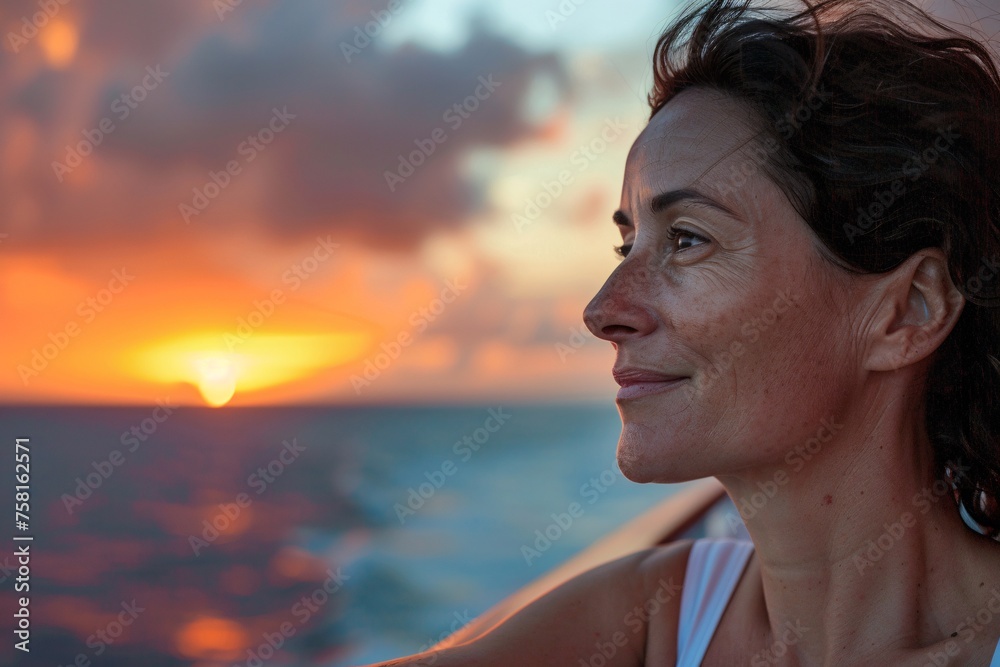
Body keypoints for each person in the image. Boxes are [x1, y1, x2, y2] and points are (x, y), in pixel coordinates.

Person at [363, 0, 1000, 664]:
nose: (603, 309)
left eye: (688, 239)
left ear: (909, 310)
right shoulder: (656, 616)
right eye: (628, 244)